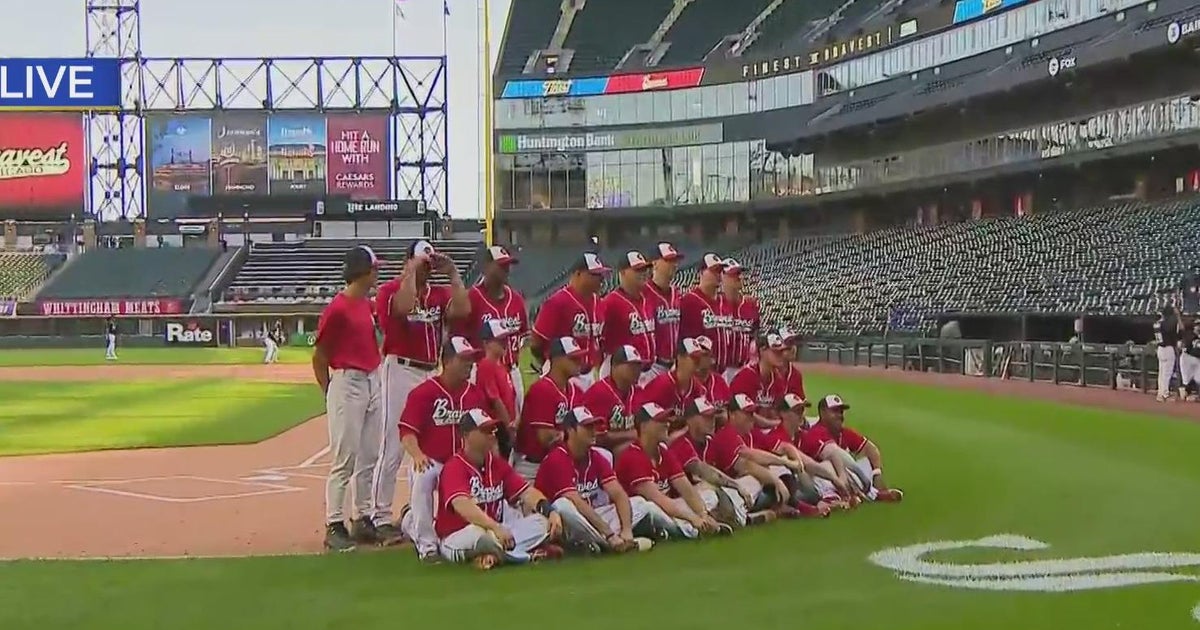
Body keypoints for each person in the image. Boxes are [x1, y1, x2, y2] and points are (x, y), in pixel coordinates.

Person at [373, 239, 469, 537]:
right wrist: (410, 273)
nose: (427, 269)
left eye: (429, 264)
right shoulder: (390, 290)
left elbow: (463, 311)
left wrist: (453, 274)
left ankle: (419, 513)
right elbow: (402, 308)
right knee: (394, 443)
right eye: (422, 263)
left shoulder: (438, 294)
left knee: (429, 445)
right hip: (400, 369)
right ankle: (379, 515)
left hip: (431, 371)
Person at [312, 245, 385, 552]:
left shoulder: (367, 306)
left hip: (372, 379)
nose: (377, 273)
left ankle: (363, 518)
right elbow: (320, 355)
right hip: (348, 381)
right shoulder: (338, 308)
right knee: (345, 457)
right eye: (374, 269)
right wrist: (331, 390)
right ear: (362, 272)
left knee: (369, 455)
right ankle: (334, 523)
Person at [431, 409, 564, 570]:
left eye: (492, 430)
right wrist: (495, 527)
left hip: (497, 533)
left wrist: (550, 512)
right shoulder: (454, 467)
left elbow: (526, 492)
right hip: (458, 536)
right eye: (485, 430)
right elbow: (462, 505)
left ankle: (496, 556)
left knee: (542, 523)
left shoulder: (496, 463)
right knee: (481, 535)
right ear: (466, 435)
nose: (492, 435)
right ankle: (526, 555)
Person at [396, 336, 486, 560]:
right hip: (434, 461)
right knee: (423, 475)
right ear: (447, 361)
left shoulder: (474, 394)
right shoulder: (423, 393)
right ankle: (427, 546)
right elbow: (407, 431)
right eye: (464, 359)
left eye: (471, 359)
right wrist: (417, 455)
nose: (470, 364)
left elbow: (485, 432)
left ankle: (410, 521)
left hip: (463, 465)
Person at [535, 406, 655, 554]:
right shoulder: (557, 458)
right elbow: (575, 501)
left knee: (639, 503)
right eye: (587, 427)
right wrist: (609, 533)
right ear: (571, 430)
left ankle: (602, 541)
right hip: (559, 523)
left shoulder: (596, 457)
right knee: (563, 505)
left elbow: (618, 493)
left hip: (590, 519)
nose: (593, 431)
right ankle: (608, 542)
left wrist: (627, 531)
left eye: (594, 426)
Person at [615, 402, 730, 540]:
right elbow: (657, 498)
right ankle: (691, 531)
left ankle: (688, 528)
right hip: (642, 512)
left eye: (666, 420)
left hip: (669, 509)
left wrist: (702, 513)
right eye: (660, 421)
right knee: (649, 507)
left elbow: (685, 487)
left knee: (709, 495)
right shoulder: (633, 455)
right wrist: (692, 518)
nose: (667, 424)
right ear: (644, 426)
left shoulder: (663, 451)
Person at [707, 394, 829, 518]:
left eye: (752, 413)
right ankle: (755, 514)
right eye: (747, 413)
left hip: (748, 489)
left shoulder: (752, 433)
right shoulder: (726, 435)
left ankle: (787, 506)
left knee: (776, 471)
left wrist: (791, 459)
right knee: (761, 476)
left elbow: (783, 447)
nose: (751, 417)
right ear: (732, 414)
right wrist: (779, 475)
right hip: (730, 489)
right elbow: (748, 464)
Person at [666, 396, 766, 528]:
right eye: (706, 417)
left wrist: (737, 486)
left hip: (710, 496)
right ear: (691, 419)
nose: (712, 421)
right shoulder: (681, 444)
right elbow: (703, 471)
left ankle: (736, 516)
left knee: (752, 480)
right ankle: (739, 518)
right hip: (686, 500)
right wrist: (736, 486)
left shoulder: (710, 441)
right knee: (711, 492)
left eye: (713, 416)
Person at [800, 395, 904, 503]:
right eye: (834, 411)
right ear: (822, 412)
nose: (839, 415)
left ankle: (864, 493)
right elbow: (836, 454)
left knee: (866, 462)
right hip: (820, 479)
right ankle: (869, 494)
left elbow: (870, 448)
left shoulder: (844, 432)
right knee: (829, 466)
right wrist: (862, 477)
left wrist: (876, 473)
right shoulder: (816, 432)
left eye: (841, 412)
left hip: (845, 477)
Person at [462, 245, 528, 413]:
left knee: (516, 423)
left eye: (507, 265)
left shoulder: (516, 300)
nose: (505, 270)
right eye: (501, 265)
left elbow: (522, 334)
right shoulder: (472, 298)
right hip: (483, 371)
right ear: (486, 267)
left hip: (512, 370)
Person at [531, 252, 608, 391]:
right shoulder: (556, 303)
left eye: (601, 274)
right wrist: (550, 364)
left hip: (589, 374)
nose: (600, 279)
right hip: (563, 375)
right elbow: (537, 342)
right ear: (578, 274)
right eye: (594, 274)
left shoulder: (600, 303)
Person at [514, 337, 587, 480]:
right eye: (573, 358)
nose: (580, 361)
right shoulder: (542, 390)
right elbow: (546, 438)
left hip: (561, 463)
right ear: (557, 359)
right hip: (532, 468)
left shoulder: (575, 390)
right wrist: (575, 437)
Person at [766, 393, 857, 508]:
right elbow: (807, 463)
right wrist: (834, 479)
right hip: (782, 487)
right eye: (797, 411)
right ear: (783, 414)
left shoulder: (802, 435)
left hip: (800, 485)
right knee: (805, 473)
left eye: (802, 410)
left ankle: (836, 496)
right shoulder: (776, 436)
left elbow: (832, 453)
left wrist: (841, 477)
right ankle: (826, 499)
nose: (801, 415)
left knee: (826, 465)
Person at [598, 250, 656, 386]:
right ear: (623, 272)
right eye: (638, 270)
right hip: (621, 373)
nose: (643, 274)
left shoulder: (648, 299)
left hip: (648, 371)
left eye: (645, 269)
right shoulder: (610, 302)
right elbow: (598, 339)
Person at [580, 344, 645, 464]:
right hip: (601, 453)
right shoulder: (598, 393)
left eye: (639, 366)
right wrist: (632, 435)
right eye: (632, 366)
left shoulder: (639, 392)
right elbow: (597, 437)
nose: (637, 371)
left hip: (625, 447)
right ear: (615, 366)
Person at [728, 330, 791, 431]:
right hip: (745, 431)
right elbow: (743, 415)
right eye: (776, 351)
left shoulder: (777, 379)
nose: (781, 355)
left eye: (782, 351)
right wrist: (774, 423)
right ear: (762, 350)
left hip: (766, 431)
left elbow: (778, 410)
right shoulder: (746, 377)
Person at [476, 320, 520, 458]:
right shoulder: (486, 365)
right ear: (486, 343)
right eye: (499, 340)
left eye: (505, 338)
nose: (504, 343)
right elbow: (495, 401)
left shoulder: (502, 366)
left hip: (507, 426)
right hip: (498, 428)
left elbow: (511, 398)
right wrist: (509, 428)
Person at [637, 337, 708, 419]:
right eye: (694, 358)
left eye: (699, 358)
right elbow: (642, 416)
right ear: (680, 358)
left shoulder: (698, 389)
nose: (697, 362)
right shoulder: (661, 384)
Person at [643, 242, 684, 381]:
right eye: (668, 260)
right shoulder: (644, 293)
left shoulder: (677, 293)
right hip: (651, 367)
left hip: (674, 365)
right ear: (654, 263)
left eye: (675, 260)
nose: (674, 264)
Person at [679, 254, 727, 372]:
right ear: (701, 272)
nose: (718, 275)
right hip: (700, 370)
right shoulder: (690, 301)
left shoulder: (724, 301)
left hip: (723, 369)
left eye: (720, 271)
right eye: (714, 271)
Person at [718, 258, 759, 383]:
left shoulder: (751, 304)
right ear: (722, 277)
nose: (739, 277)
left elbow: (755, 334)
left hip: (744, 366)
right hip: (721, 370)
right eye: (734, 274)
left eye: (739, 274)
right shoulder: (716, 304)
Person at [1153, 305, 1182, 402]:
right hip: (1167, 348)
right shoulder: (1167, 323)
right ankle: (1164, 394)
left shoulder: (1157, 323)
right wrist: (1177, 315)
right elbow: (1178, 329)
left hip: (1160, 348)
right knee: (1167, 373)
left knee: (1161, 373)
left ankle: (1160, 393)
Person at [777, 326, 806, 400]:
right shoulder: (763, 371)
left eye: (794, 343)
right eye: (789, 343)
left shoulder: (795, 375)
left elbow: (800, 404)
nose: (793, 348)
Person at [1179, 321, 1200, 401]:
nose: (1198, 327)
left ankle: (1190, 395)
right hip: (1187, 358)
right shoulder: (1189, 335)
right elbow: (1185, 347)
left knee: (1198, 378)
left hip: (1197, 360)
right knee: (1186, 379)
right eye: (1197, 325)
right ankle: (1184, 394)